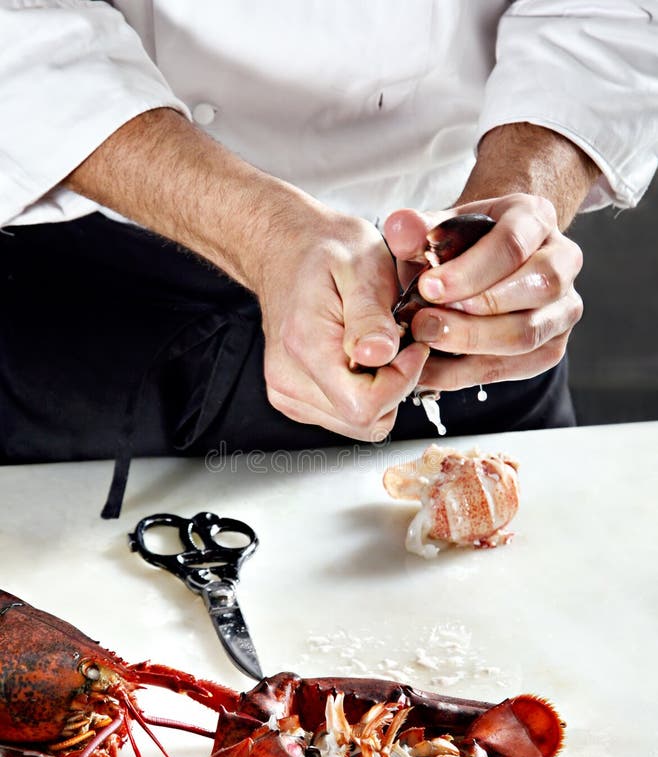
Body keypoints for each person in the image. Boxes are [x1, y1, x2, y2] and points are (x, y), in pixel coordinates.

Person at [1, 2, 656, 516]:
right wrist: (262, 231)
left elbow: (609, 12)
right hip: (91, 310)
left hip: (458, 304)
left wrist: (513, 215)